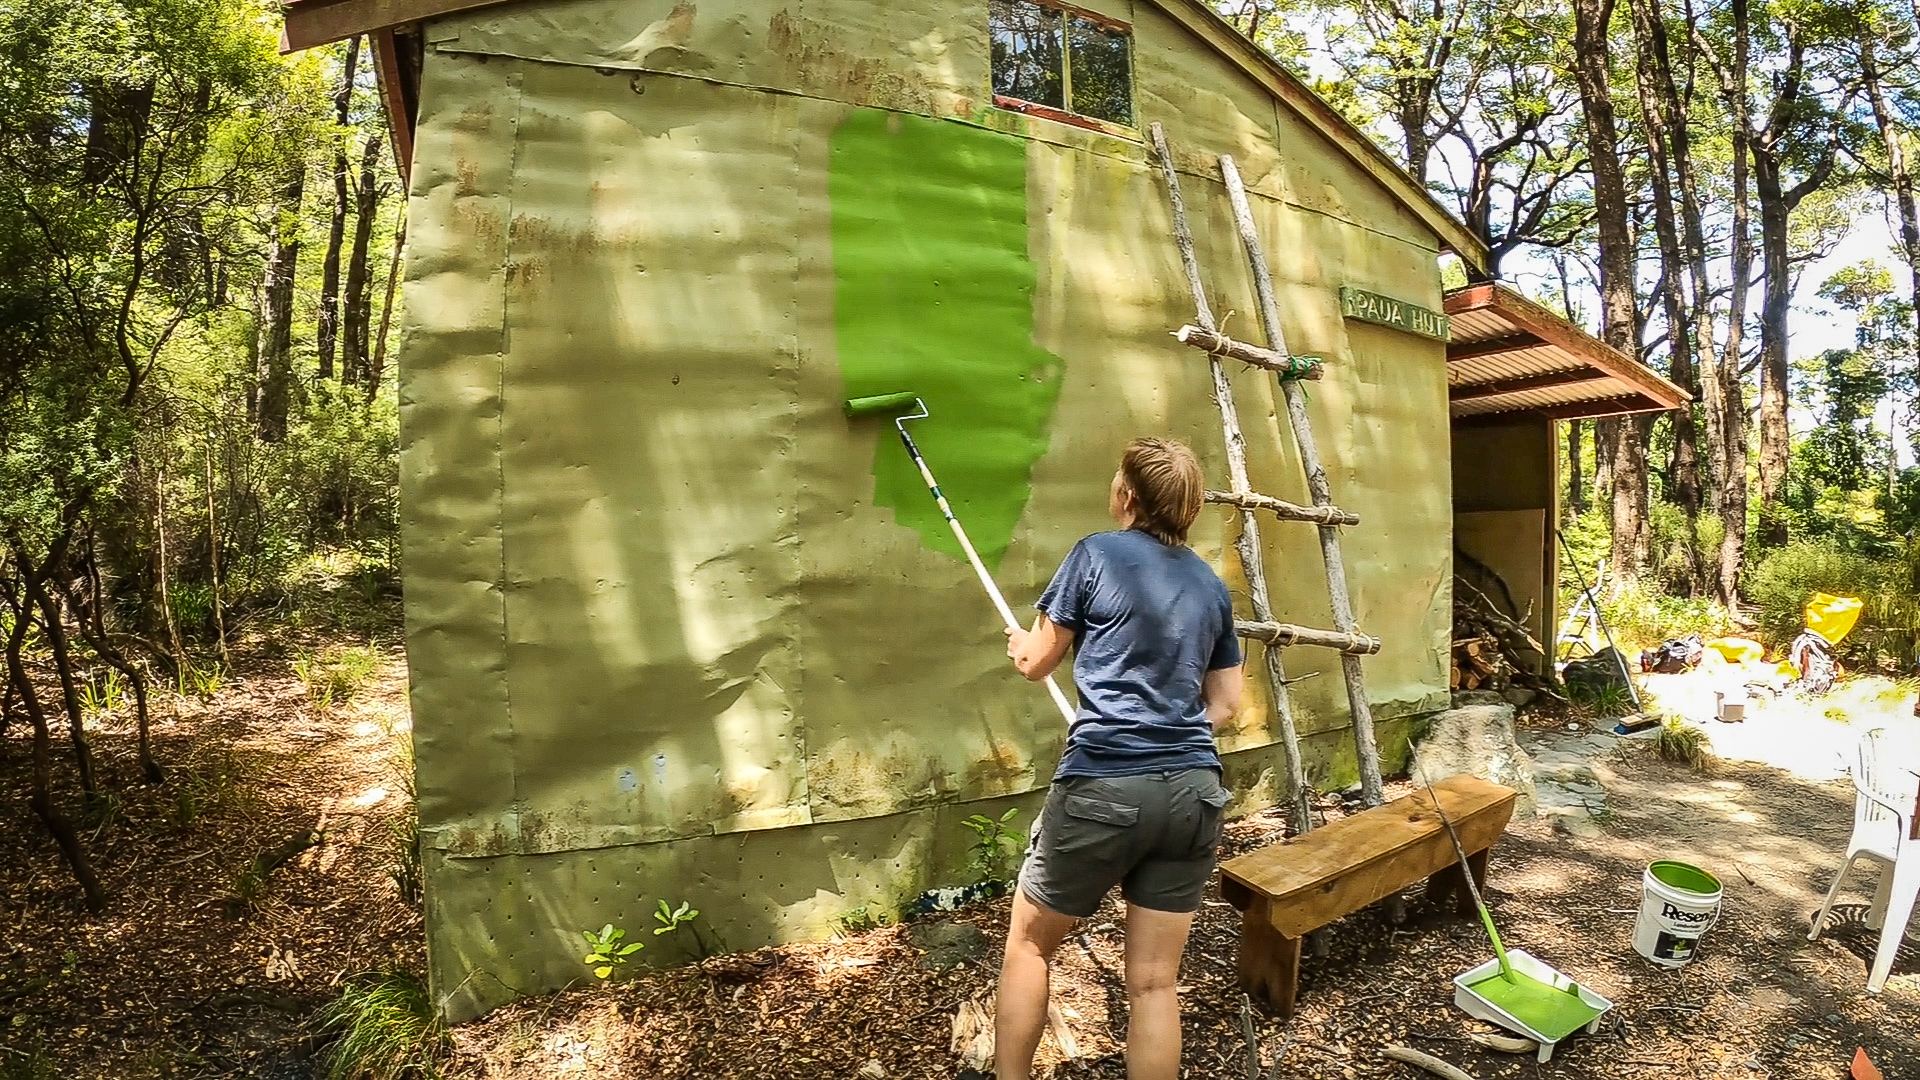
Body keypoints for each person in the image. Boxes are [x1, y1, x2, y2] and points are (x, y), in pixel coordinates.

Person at [996, 437, 1246, 1080]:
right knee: (1156, 985)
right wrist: (1171, 726)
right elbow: (1227, 703)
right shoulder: (1210, 586)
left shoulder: (1094, 556)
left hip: (1105, 784)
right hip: (1194, 791)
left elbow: (1035, 663)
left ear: (1127, 496)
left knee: (1028, 946)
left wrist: (1023, 643)